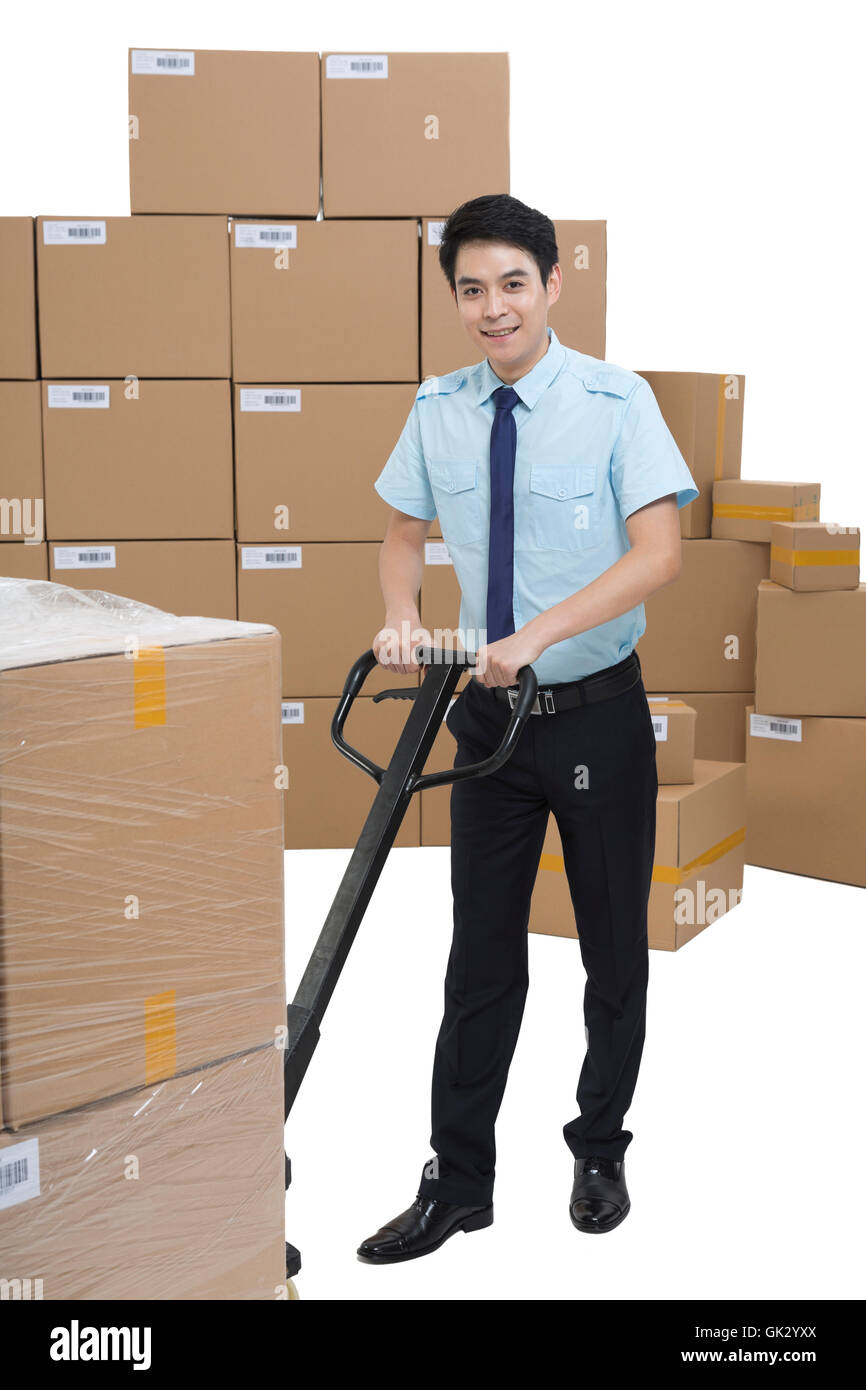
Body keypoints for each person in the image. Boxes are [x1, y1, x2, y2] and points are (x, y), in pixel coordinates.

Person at [357, 193, 699, 1264]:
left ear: (553, 283)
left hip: (593, 716)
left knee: (609, 950)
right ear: (453, 299)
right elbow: (400, 533)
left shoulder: (614, 400)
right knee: (479, 959)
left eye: (512, 282)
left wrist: (532, 636)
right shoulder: (439, 406)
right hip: (484, 720)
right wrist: (406, 616)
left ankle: (598, 1146)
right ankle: (458, 1182)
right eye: (470, 288)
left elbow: (657, 555)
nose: (492, 307)